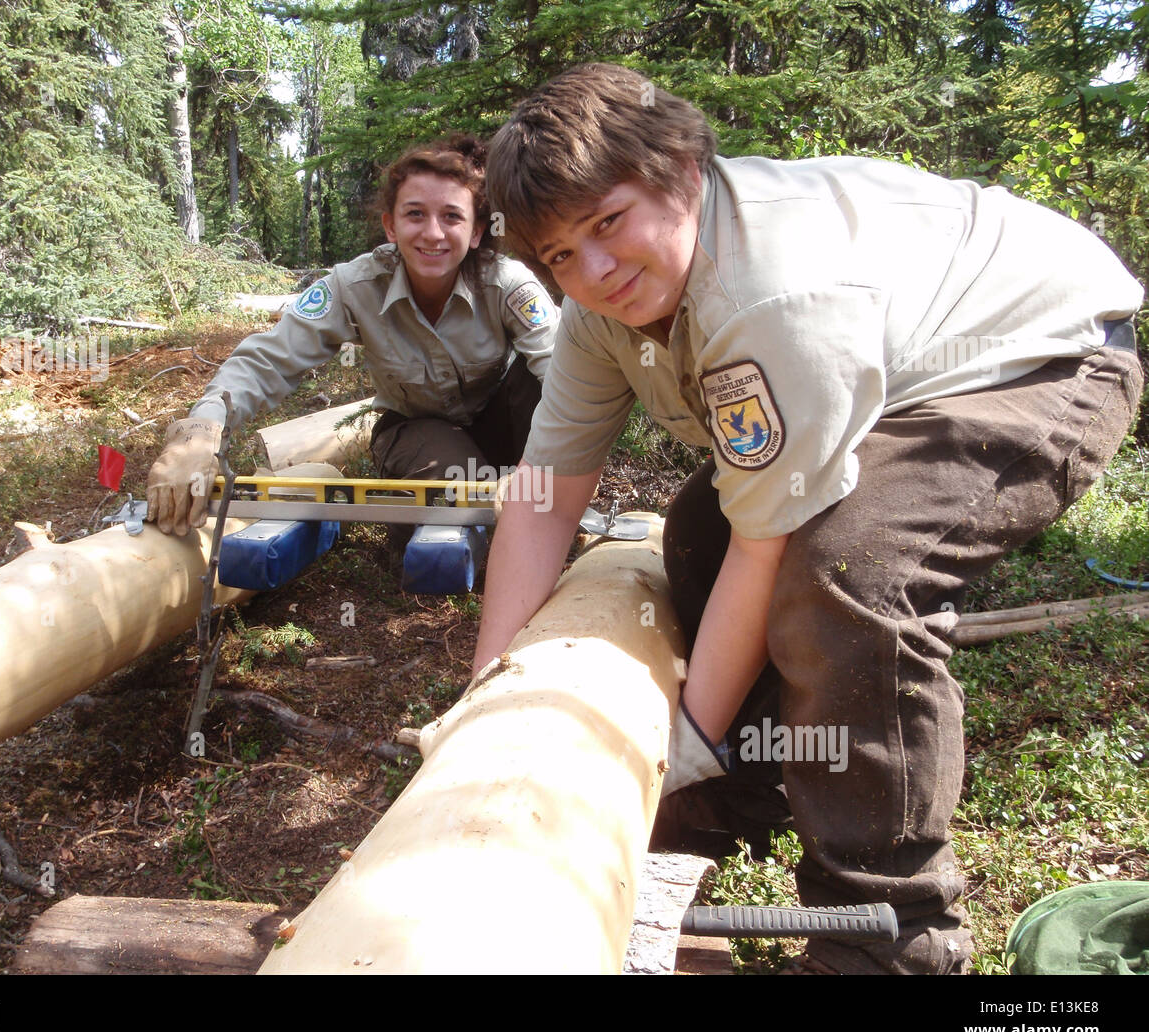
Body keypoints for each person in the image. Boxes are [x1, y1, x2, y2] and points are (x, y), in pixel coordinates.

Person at [474, 63, 1143, 974]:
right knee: (699, 530)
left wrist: (673, 754)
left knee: (851, 574)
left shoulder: (771, 292)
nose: (592, 272)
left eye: (608, 222)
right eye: (559, 254)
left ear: (679, 167)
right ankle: (744, 793)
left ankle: (891, 930)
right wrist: (485, 697)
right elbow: (547, 493)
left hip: (1043, 354)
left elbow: (774, 543)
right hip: (896, 359)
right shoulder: (602, 316)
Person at [146, 134, 558, 537]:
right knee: (459, 492)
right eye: (415, 214)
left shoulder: (507, 285)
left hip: (511, 428)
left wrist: (536, 466)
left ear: (476, 232)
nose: (433, 233)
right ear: (390, 226)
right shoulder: (352, 286)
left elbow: (567, 371)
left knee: (537, 381)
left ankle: (542, 497)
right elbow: (269, 360)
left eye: (452, 216)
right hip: (420, 431)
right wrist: (200, 430)